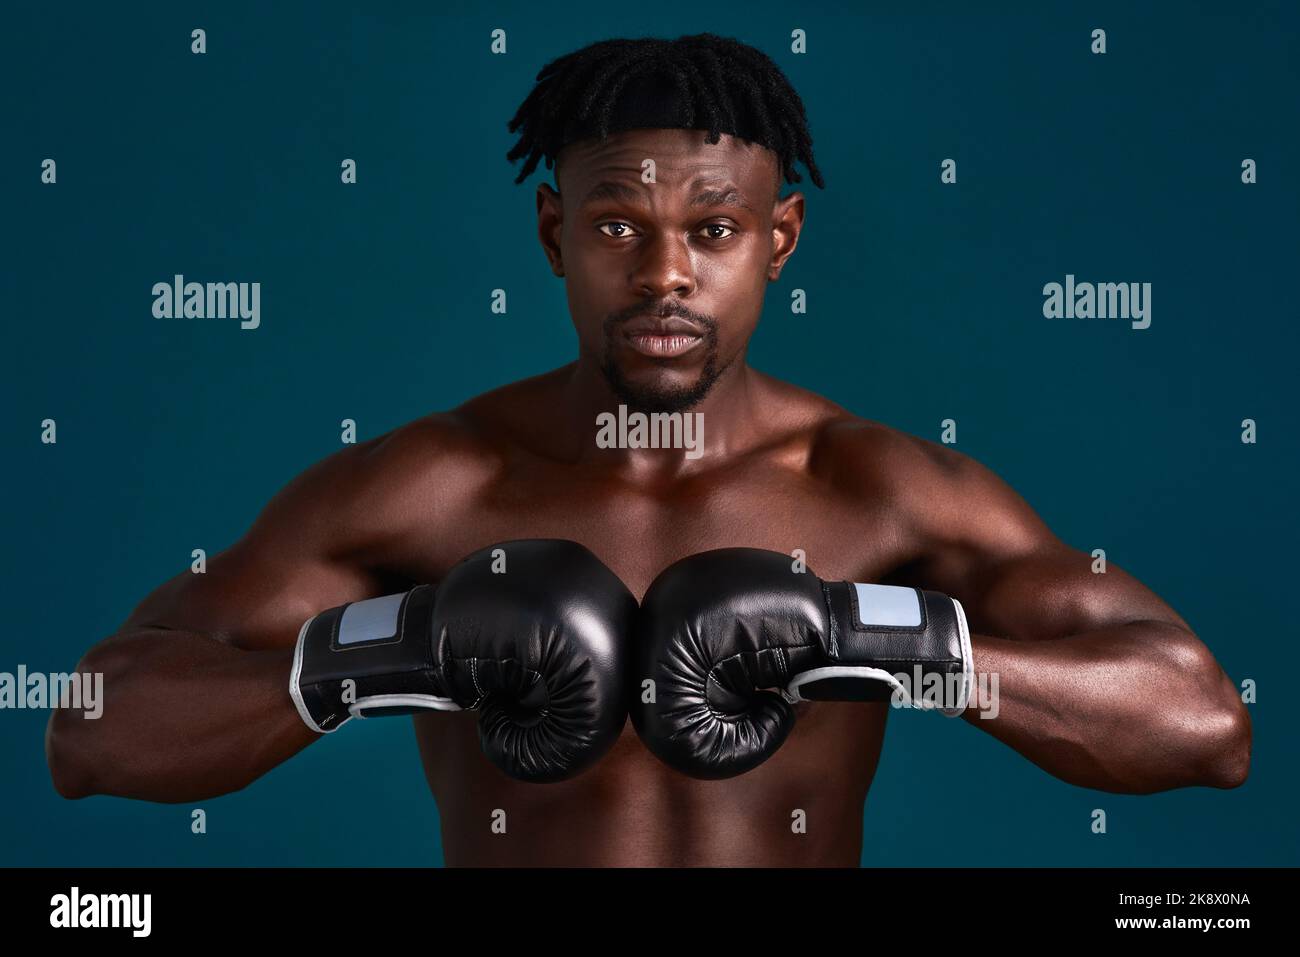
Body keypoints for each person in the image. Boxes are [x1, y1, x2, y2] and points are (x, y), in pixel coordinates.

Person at [45, 33, 1249, 867]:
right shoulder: (430, 489)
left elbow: (1201, 725)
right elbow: (92, 729)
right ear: (552, 231)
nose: (665, 272)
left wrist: (864, 637)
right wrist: (387, 650)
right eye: (618, 224)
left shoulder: (883, 493)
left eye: (713, 229)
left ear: (778, 242)